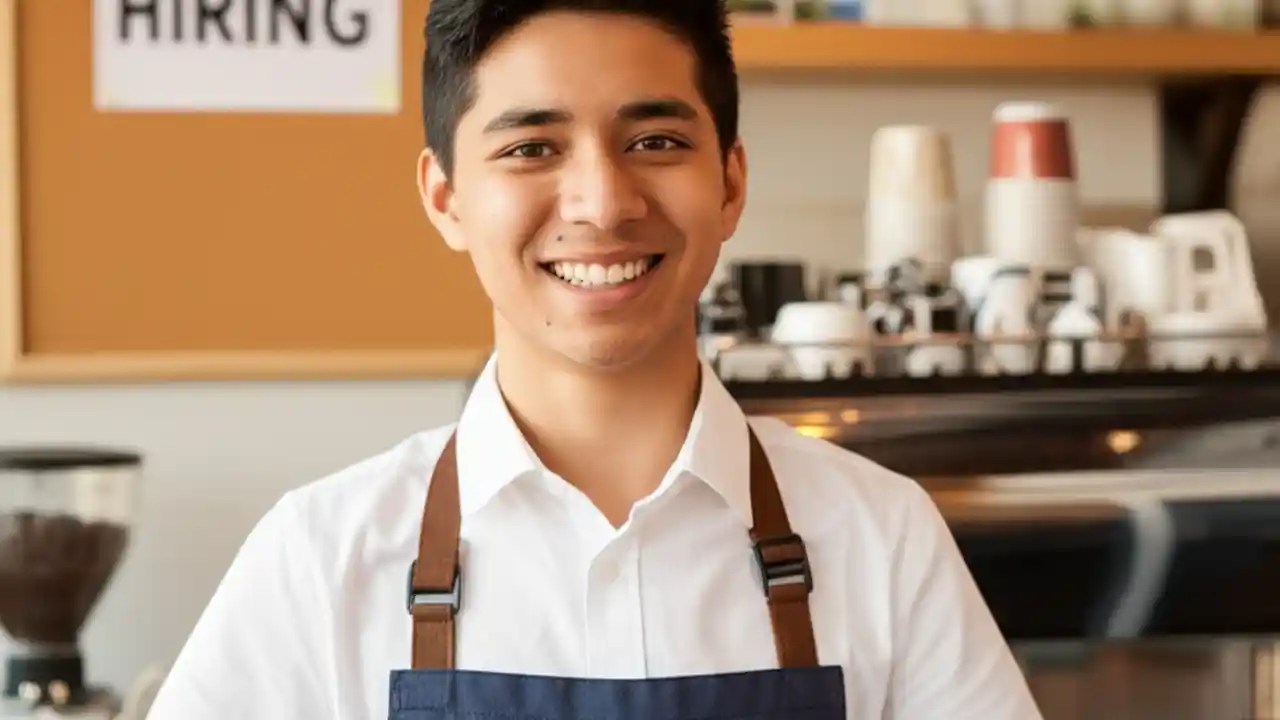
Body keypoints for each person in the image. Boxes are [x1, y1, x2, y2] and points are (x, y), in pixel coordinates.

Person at [146, 1, 1043, 718]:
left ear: (729, 183)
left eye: (655, 142)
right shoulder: (319, 559)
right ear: (447, 197)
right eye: (531, 148)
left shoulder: (881, 539)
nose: (604, 202)